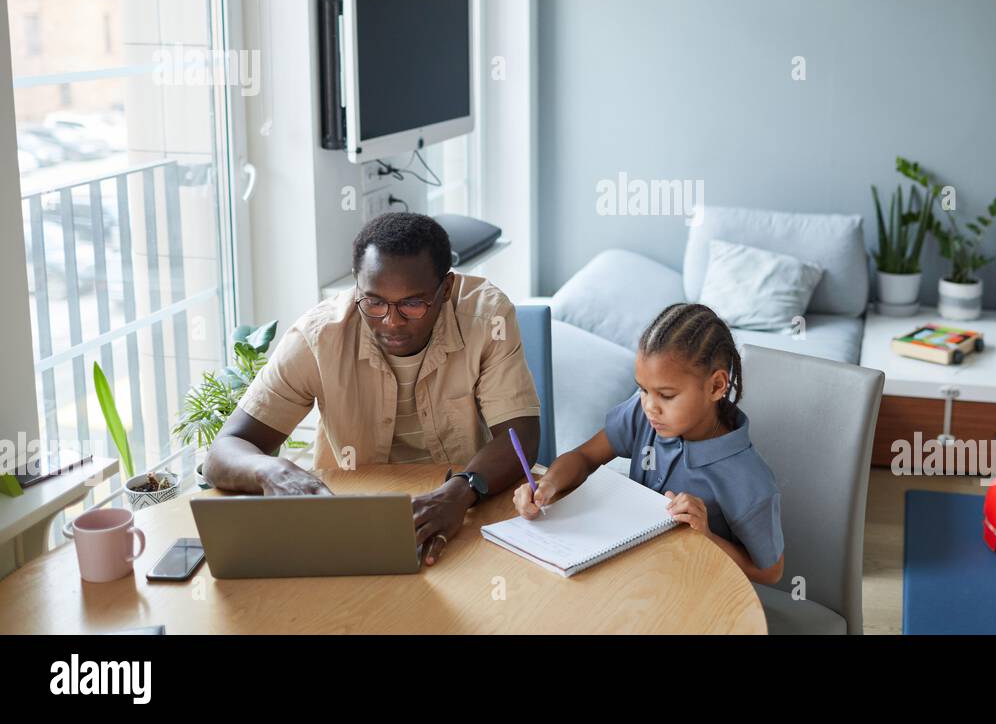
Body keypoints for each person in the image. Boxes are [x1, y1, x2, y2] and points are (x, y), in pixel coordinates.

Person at [204, 212, 542, 567]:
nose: (391, 321)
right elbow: (223, 451)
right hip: (352, 523)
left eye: (412, 303)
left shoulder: (488, 317)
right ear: (357, 287)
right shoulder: (318, 338)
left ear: (446, 289)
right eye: (375, 302)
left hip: (467, 509)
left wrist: (460, 492)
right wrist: (272, 471)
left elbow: (521, 438)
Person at [513, 302, 784, 584]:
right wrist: (548, 485)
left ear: (716, 386)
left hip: (697, 589)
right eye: (643, 389)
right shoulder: (644, 415)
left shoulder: (748, 479)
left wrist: (706, 535)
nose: (650, 406)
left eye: (666, 395)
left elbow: (770, 572)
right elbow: (584, 456)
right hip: (635, 574)